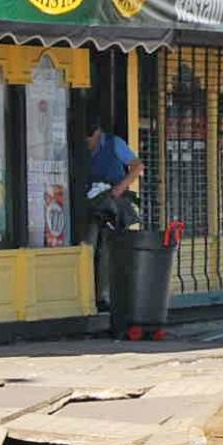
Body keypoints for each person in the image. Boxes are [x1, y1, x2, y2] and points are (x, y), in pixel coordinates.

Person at [84, 120, 144, 309]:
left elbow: (137, 166)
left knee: (107, 250)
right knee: (88, 247)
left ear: (98, 133)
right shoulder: (80, 146)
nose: (88, 144)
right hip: (90, 203)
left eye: (90, 139)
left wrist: (121, 187)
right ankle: (87, 294)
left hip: (112, 203)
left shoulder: (114, 143)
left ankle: (104, 296)